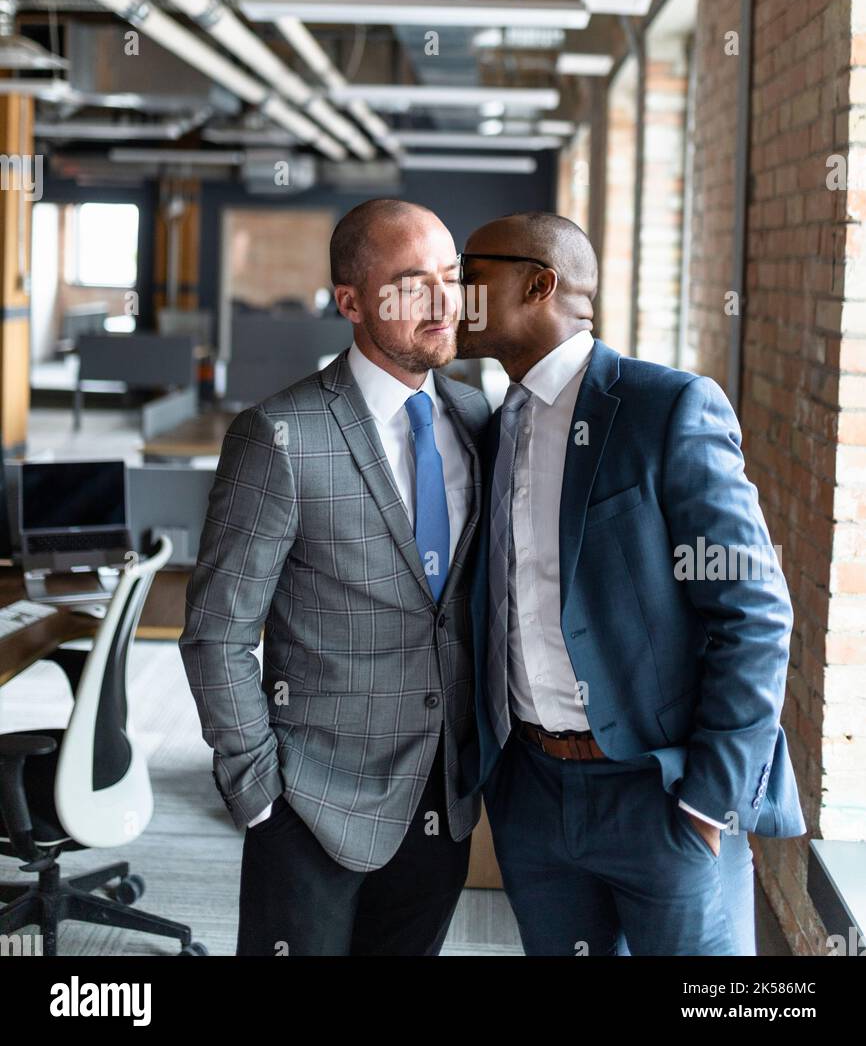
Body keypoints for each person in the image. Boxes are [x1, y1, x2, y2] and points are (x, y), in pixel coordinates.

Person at [456, 210, 805, 957]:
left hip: (661, 794)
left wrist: (709, 801)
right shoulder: (490, 428)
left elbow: (756, 612)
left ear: (537, 284)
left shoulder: (665, 407)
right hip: (533, 796)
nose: (454, 295)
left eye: (471, 274)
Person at [180, 198, 489, 956]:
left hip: (442, 800)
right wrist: (259, 795)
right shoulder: (280, 437)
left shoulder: (478, 419)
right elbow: (217, 631)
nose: (445, 302)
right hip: (311, 805)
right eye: (413, 283)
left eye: (452, 277)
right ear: (351, 301)